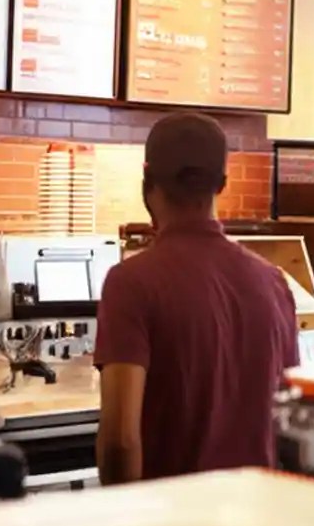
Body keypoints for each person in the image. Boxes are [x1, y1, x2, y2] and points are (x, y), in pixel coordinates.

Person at [93, 113, 298, 485]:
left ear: (147, 180)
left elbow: (121, 441)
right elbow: (291, 424)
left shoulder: (131, 282)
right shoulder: (273, 282)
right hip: (256, 522)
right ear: (221, 183)